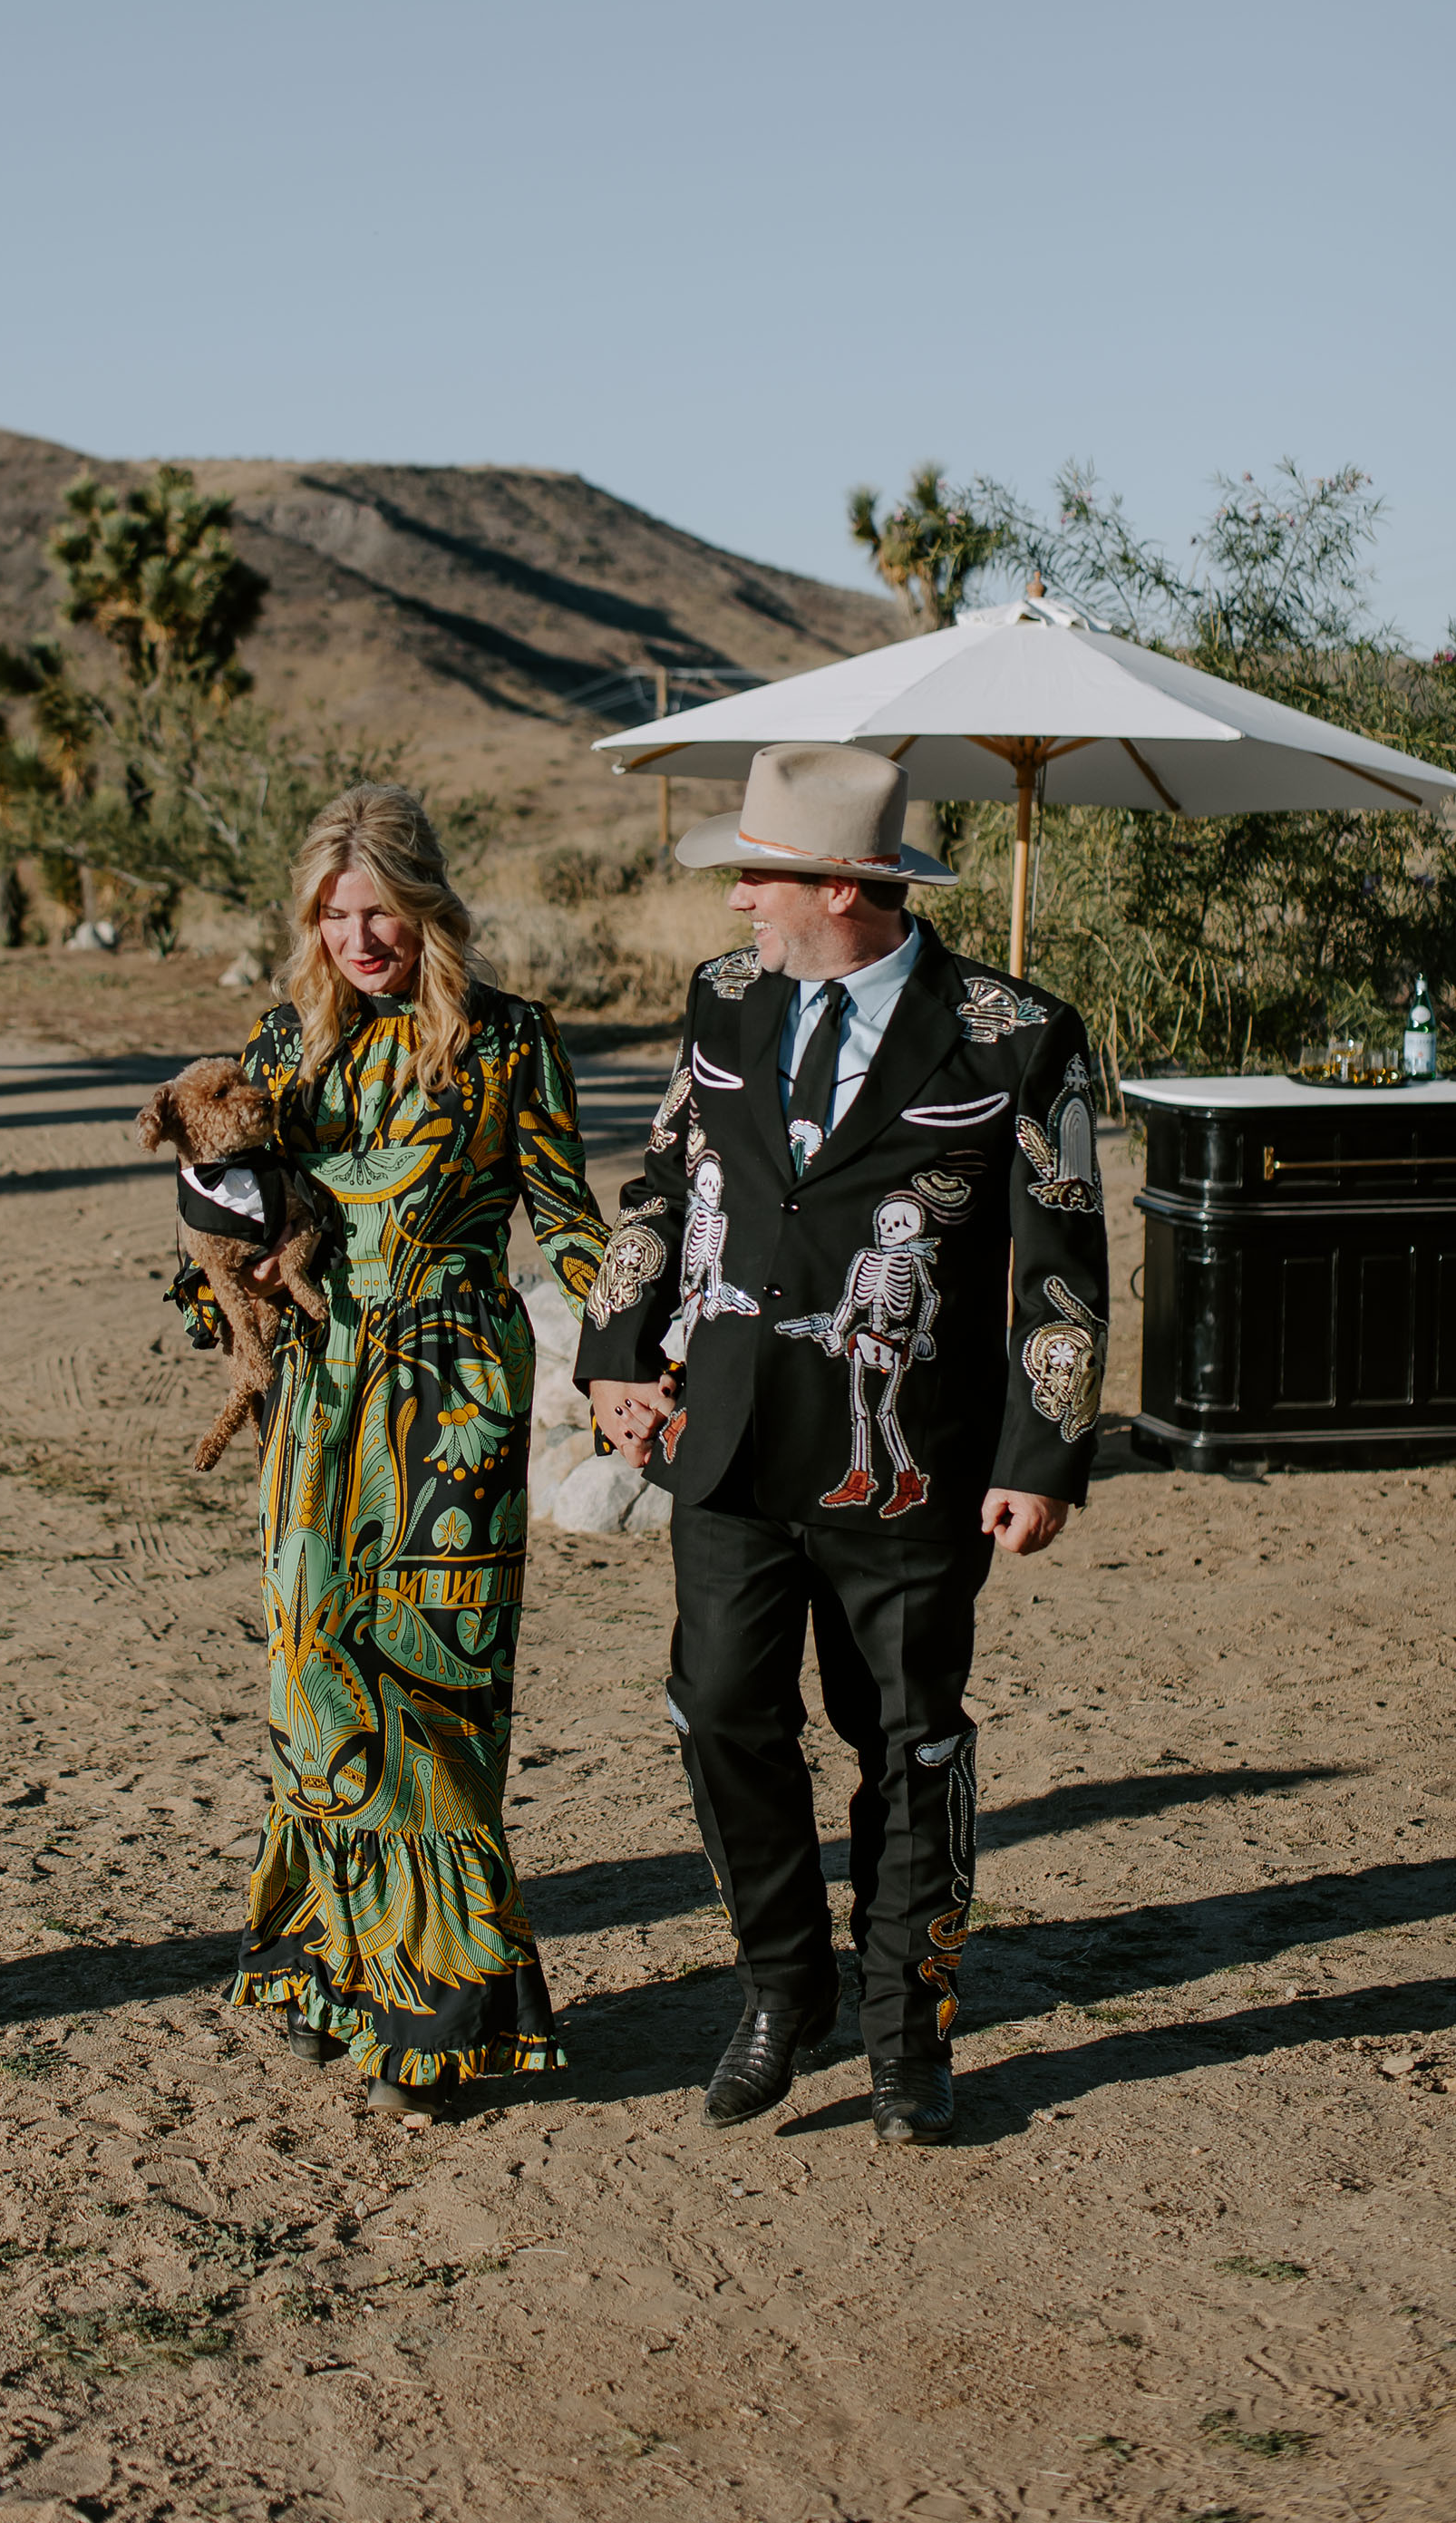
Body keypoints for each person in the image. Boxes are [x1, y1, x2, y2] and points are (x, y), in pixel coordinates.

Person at [576, 743, 1108, 2144]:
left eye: (759, 874)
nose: (739, 899)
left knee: (912, 1739)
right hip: (731, 1440)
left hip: (910, 1460)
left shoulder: (1016, 1031)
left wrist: (1041, 1450)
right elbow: (662, 1177)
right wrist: (616, 1350)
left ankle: (904, 2032)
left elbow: (1063, 1260)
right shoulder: (727, 998)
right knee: (718, 1709)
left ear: (844, 886)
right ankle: (781, 1983)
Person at [176, 782, 607, 2126]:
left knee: (430, 1693)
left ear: (430, 907)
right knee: (313, 1681)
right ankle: (325, 1969)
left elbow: (572, 1224)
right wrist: (222, 1278)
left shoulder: (509, 1042)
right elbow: (220, 1216)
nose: (362, 937)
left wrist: (642, 1351)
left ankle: (442, 2008)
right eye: (336, 912)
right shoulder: (282, 1047)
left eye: (384, 911)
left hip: (450, 1399)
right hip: (315, 1396)